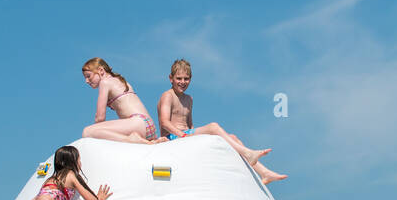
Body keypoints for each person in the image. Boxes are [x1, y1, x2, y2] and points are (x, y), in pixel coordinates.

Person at [155, 59, 286, 184]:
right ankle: (248, 153)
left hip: (186, 134)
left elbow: (190, 125)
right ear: (171, 78)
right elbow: (164, 122)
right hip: (172, 138)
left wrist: (194, 139)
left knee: (233, 138)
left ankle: (264, 172)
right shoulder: (168, 95)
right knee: (213, 127)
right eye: (179, 78)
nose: (182, 82)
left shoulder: (189, 99)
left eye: (186, 78)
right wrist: (184, 135)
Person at [79, 58, 166, 144]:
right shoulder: (120, 81)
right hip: (149, 126)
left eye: (88, 76)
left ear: (101, 70)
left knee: (87, 132)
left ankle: (131, 140)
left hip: (137, 124)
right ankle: (148, 140)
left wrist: (97, 132)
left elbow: (100, 118)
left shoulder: (105, 82)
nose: (86, 81)